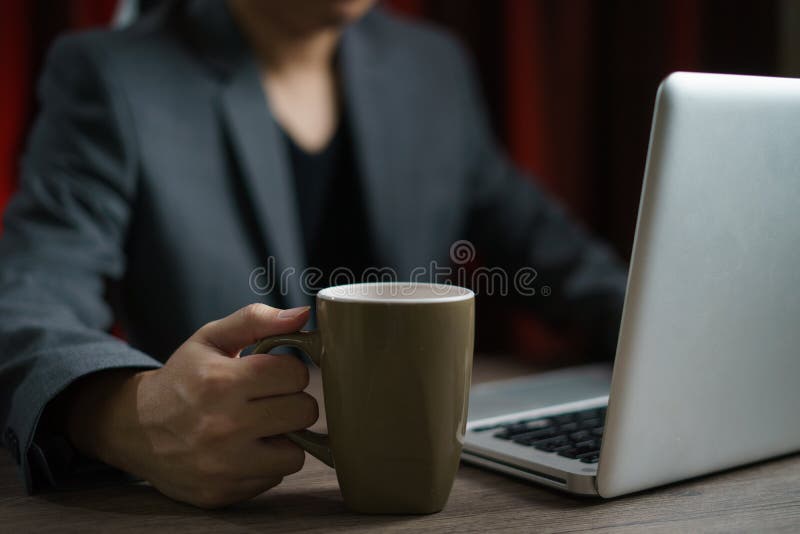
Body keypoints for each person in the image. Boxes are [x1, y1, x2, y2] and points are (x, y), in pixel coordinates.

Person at [0, 0, 626, 508]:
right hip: (237, 502)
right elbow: (22, 306)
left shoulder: (430, 67)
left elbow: (561, 260)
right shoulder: (115, 75)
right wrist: (124, 416)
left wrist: (676, 330)